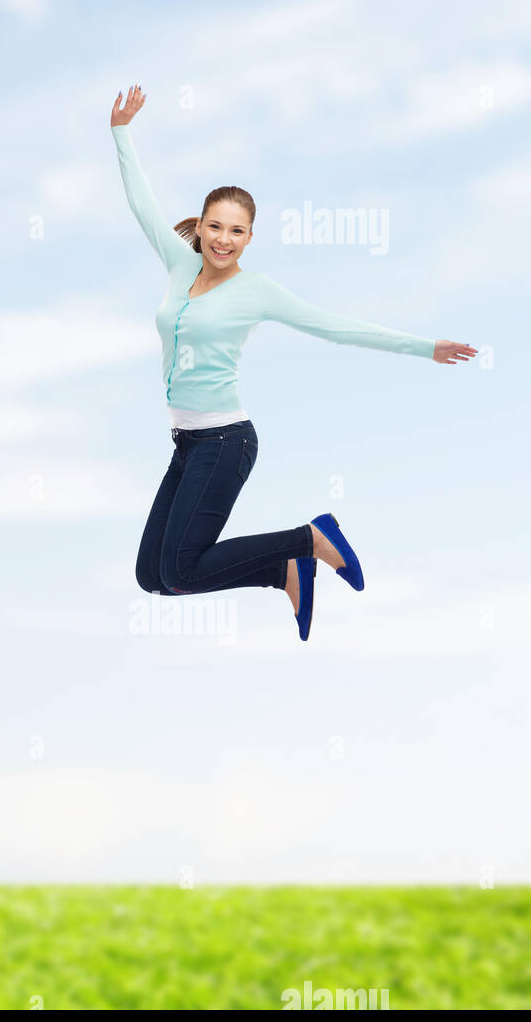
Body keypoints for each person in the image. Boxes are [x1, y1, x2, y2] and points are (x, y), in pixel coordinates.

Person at [112, 84, 474, 639]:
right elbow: (142, 203)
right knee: (153, 578)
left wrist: (425, 346)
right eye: (215, 227)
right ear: (202, 226)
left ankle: (310, 538)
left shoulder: (257, 291)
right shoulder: (178, 267)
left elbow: (336, 327)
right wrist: (121, 132)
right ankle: (282, 571)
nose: (223, 240)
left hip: (225, 443)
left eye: (236, 231)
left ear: (249, 237)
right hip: (186, 446)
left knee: (182, 568)